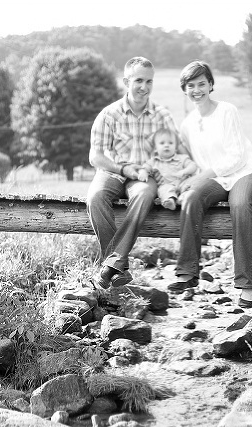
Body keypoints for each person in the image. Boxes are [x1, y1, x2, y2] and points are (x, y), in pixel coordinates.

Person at [170, 60, 252, 308]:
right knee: (191, 198)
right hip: (217, 180)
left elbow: (237, 156)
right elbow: (190, 163)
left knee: (239, 204)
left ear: (211, 84)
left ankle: (247, 285)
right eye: (191, 86)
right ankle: (187, 273)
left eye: (201, 84)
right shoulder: (187, 125)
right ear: (184, 89)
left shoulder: (226, 110)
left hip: (248, 173)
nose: (197, 90)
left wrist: (203, 176)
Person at [87, 56, 178, 289]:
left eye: (149, 81)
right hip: (113, 171)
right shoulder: (109, 114)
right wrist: (122, 168)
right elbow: (96, 157)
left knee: (144, 194)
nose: (144, 87)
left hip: (145, 176)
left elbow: (173, 153)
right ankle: (118, 265)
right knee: (95, 197)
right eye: (138, 80)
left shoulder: (162, 116)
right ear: (126, 81)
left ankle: (112, 266)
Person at [138, 128, 199, 210]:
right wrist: (143, 172)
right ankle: (170, 201)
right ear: (155, 148)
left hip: (183, 183)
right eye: (162, 143)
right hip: (166, 185)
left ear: (176, 148)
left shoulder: (182, 158)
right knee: (163, 190)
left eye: (170, 143)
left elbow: (193, 166)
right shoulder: (154, 161)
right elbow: (145, 167)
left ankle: (183, 199)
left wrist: (184, 171)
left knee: (189, 187)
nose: (166, 145)